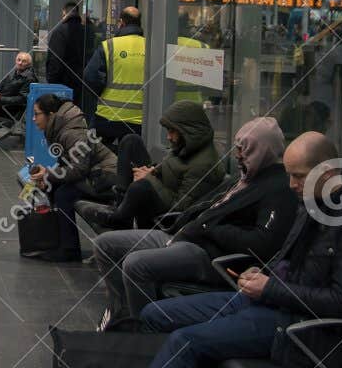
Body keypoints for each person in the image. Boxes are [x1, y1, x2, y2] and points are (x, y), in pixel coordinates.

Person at [46, 132, 342, 368]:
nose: (292, 184)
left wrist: (269, 290)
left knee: (186, 341)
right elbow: (289, 263)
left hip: (295, 328)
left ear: (326, 173)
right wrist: (259, 276)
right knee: (154, 314)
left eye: (298, 176)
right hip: (267, 302)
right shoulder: (312, 204)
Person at [94, 116, 294, 324]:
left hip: (208, 251)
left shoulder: (278, 188)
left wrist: (210, 228)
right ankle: (122, 313)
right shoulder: (243, 178)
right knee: (105, 244)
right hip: (184, 233)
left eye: (243, 149)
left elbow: (262, 243)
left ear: (261, 150)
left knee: (136, 264)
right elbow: (202, 204)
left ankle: (145, 328)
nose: (237, 155)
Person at [80, 100, 223, 232]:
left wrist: (149, 179)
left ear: (188, 131)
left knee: (140, 187)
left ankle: (119, 218)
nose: (168, 137)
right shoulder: (186, 145)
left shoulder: (204, 164)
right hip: (163, 188)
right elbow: (171, 167)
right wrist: (153, 171)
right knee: (131, 141)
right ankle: (122, 207)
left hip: (167, 216)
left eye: (172, 131)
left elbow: (181, 206)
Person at [27, 94, 120, 264]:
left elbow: (79, 169)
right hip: (95, 175)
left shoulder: (72, 133)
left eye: (37, 114)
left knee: (64, 194)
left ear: (52, 114)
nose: (34, 119)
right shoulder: (61, 128)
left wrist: (47, 174)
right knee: (55, 187)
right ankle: (59, 243)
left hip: (107, 179)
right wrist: (47, 177)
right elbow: (68, 165)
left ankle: (69, 250)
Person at [85, 6, 146, 144]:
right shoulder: (149, 46)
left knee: (93, 155)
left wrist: (99, 94)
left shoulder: (109, 46)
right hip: (140, 119)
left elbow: (90, 76)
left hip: (107, 116)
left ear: (122, 23)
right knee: (133, 158)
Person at [45, 1, 91, 112]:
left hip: (64, 83)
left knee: (62, 113)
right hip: (83, 83)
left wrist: (51, 80)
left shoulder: (60, 31)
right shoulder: (87, 31)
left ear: (64, 13)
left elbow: (55, 59)